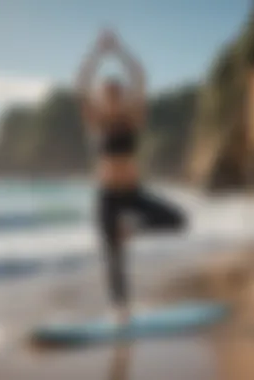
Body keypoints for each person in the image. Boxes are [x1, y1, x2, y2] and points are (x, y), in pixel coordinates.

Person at [76, 29, 186, 324]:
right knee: (113, 257)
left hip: (133, 191)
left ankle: (133, 229)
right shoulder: (97, 121)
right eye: (106, 92)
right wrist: (97, 53)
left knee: (177, 220)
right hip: (107, 195)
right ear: (101, 97)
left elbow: (139, 77)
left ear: (122, 96)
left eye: (116, 91)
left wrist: (120, 50)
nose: (111, 95)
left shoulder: (132, 118)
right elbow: (82, 82)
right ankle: (121, 310)